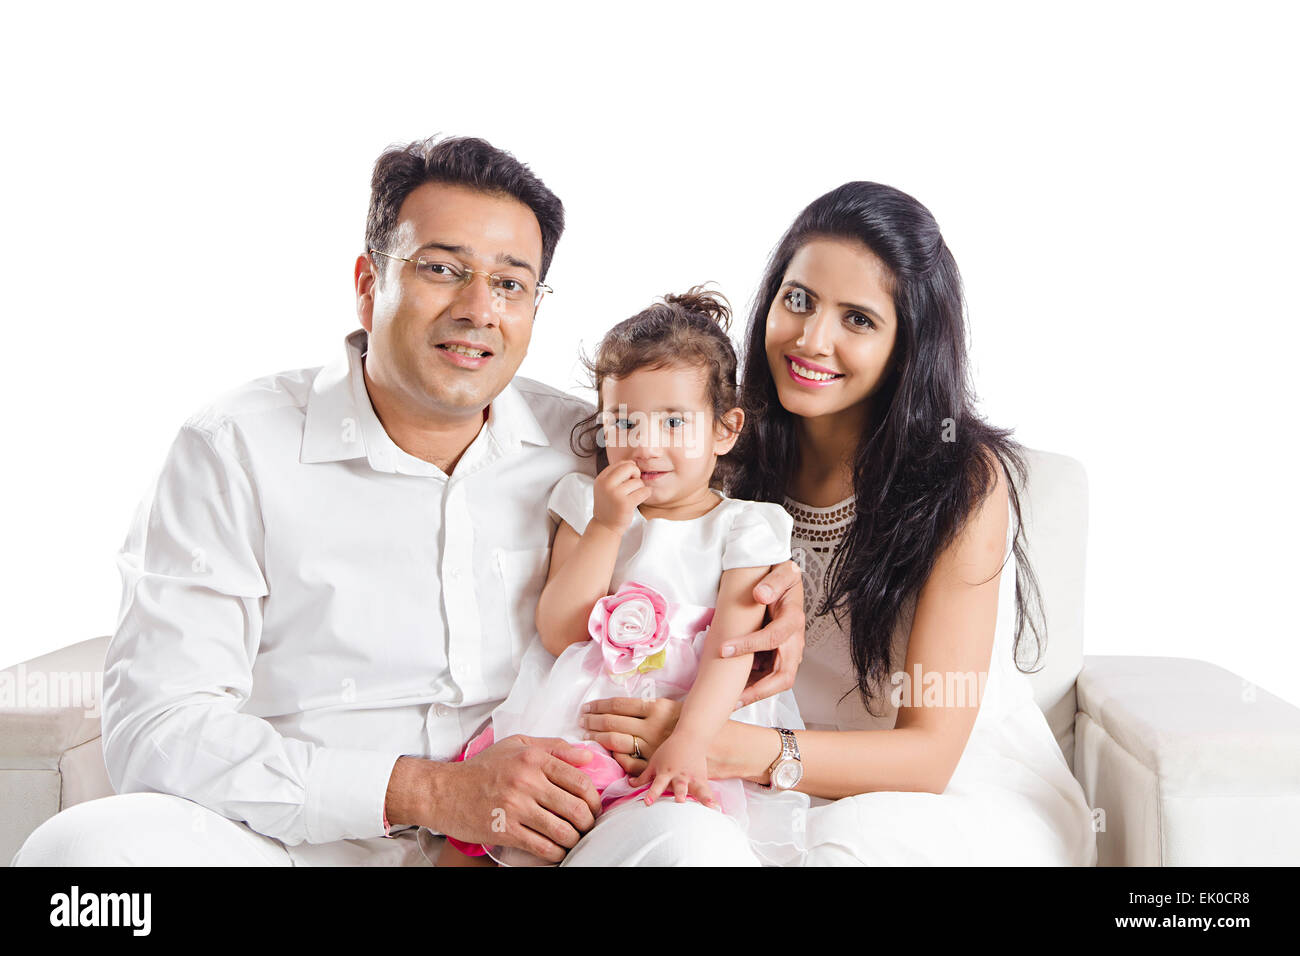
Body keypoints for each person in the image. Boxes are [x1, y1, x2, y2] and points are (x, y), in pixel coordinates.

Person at [10, 136, 805, 867]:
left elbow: (704, 527)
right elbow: (159, 727)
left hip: (561, 835)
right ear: (368, 285)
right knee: (86, 855)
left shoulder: (589, 445)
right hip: (295, 843)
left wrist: (776, 597)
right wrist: (423, 791)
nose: (478, 308)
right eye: (441, 268)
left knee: (694, 850)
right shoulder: (234, 448)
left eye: (509, 283)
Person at [579, 182, 1100, 865]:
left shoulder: (957, 482)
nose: (811, 338)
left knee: (837, 852)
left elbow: (930, 756)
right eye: (798, 300)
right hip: (752, 761)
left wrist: (726, 746)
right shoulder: (723, 446)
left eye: (857, 319)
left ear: (907, 343)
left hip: (937, 789)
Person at [438, 289, 808, 867]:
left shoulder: (746, 528)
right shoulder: (587, 501)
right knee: (522, 830)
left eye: (674, 422)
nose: (645, 444)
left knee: (674, 834)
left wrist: (690, 739)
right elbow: (561, 631)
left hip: (684, 724)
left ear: (725, 429)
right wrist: (608, 528)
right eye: (626, 421)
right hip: (574, 719)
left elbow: (731, 650)